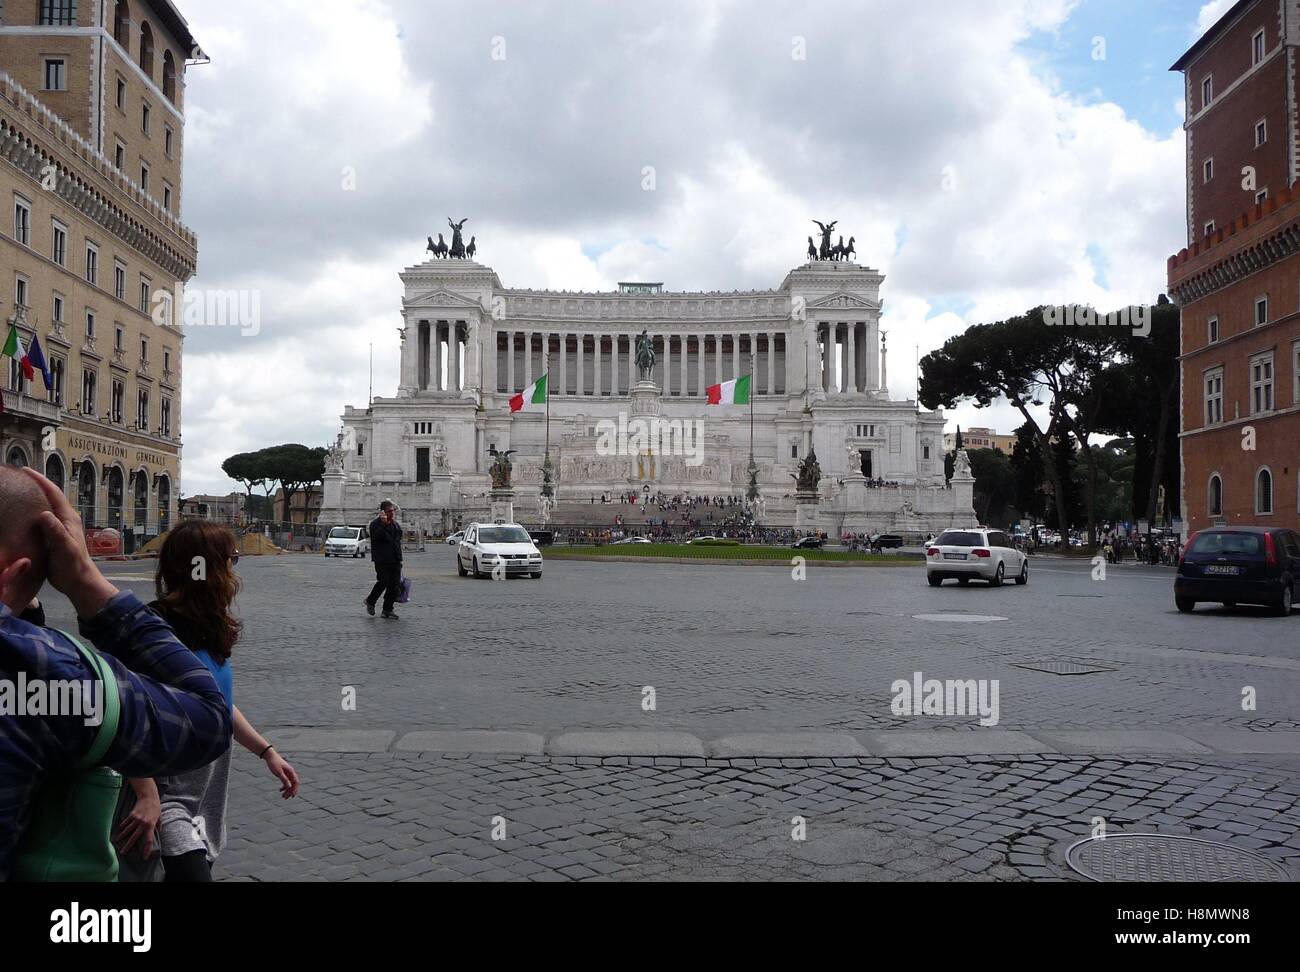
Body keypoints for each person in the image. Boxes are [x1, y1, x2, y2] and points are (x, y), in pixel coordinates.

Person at [0, 467, 232, 880]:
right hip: (170, 791)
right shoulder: (37, 673)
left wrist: (264, 749)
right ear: (13, 576)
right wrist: (87, 582)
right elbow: (206, 716)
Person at [115, 521, 300, 882]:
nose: (234, 570)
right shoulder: (153, 628)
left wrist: (267, 752)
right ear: (207, 567)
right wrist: (146, 792)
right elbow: (124, 713)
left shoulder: (211, 623)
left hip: (206, 795)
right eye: (231, 559)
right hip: (166, 796)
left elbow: (217, 703)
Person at [365, 501, 403, 620]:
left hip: (395, 560)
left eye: (393, 511)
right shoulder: (375, 524)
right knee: (383, 581)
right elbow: (377, 537)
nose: (392, 513)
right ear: (383, 512)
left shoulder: (395, 524)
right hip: (381, 559)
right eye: (390, 511)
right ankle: (370, 601)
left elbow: (397, 542)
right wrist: (384, 524)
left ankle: (387, 609)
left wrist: (400, 559)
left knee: (394, 585)